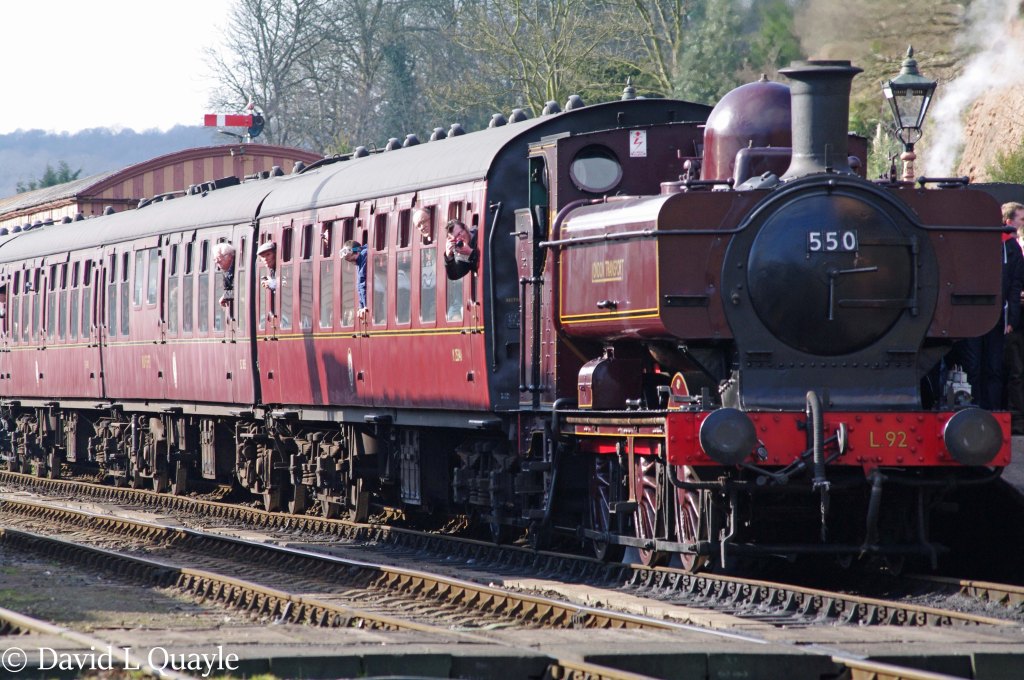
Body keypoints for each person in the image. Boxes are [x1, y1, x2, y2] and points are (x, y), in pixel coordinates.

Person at [965, 204, 1024, 411]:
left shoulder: (1011, 247)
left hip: (998, 315)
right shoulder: (971, 244)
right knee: (972, 366)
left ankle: (992, 410)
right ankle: (973, 407)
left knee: (994, 367)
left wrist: (1012, 319)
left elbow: (1015, 286)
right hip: (972, 314)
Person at [1003, 202, 1024, 433]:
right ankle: (1016, 418)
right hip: (1015, 318)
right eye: (1021, 220)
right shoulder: (1009, 247)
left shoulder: (1015, 248)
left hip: (1016, 316)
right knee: (1015, 369)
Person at [341, 239, 368, 321]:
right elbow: (359, 286)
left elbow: (362, 282)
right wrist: (361, 307)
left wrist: (365, 307)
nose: (352, 263)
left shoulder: (364, 255)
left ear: (356, 252)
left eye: (352, 260)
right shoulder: (359, 259)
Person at [214, 241, 236, 308]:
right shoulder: (227, 271)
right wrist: (226, 296)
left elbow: (240, 290)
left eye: (218, 258)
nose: (216, 261)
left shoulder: (233, 270)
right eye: (214, 259)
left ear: (229, 256)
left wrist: (226, 296)